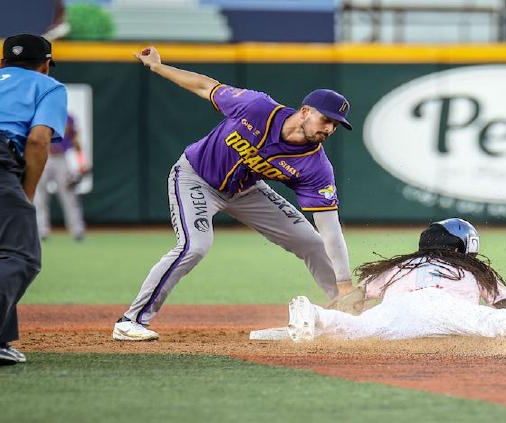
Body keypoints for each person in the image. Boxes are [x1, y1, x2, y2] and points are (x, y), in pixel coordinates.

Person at [113, 46, 356, 341]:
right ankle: (131, 321)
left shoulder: (316, 166)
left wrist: (344, 284)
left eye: (335, 125)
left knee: (312, 243)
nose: (329, 129)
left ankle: (347, 319)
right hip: (195, 177)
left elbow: (330, 227)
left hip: (246, 191)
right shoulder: (256, 107)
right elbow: (206, 87)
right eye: (325, 120)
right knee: (195, 246)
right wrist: (158, 67)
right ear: (305, 111)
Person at [284, 218, 506, 343]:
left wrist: (333, 310)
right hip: (447, 307)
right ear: (462, 245)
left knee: (357, 329)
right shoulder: (474, 270)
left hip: (399, 310)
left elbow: (351, 301)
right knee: (495, 322)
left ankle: (313, 316)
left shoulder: (398, 267)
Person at [0, 34, 67, 364]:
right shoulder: (48, 86)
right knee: (20, 257)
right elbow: (38, 141)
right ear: (46, 65)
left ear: (1, 63)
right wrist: (28, 192)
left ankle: (2, 340)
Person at [34, 113, 89, 241]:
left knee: (69, 195)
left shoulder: (68, 117)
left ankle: (77, 231)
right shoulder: (39, 114)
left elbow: (76, 140)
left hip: (61, 159)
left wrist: (82, 162)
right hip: (43, 157)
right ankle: (41, 231)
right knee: (39, 196)